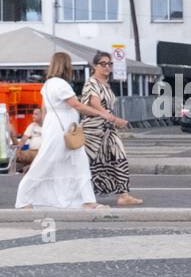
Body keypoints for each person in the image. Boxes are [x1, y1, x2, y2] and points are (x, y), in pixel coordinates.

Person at [15, 52, 108, 210]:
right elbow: (76, 105)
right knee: (50, 161)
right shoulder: (61, 84)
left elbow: (44, 110)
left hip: (55, 127)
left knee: (67, 162)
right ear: (66, 65)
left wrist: (46, 130)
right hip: (64, 128)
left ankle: (87, 200)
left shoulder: (48, 84)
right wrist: (101, 113)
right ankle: (24, 199)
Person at [79, 52, 142, 206]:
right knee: (88, 162)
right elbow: (94, 104)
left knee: (119, 157)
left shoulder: (105, 84)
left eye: (109, 64)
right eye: (103, 64)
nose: (107, 67)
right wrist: (114, 119)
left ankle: (124, 194)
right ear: (95, 66)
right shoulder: (92, 83)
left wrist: (112, 120)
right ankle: (80, 195)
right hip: (94, 129)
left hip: (108, 129)